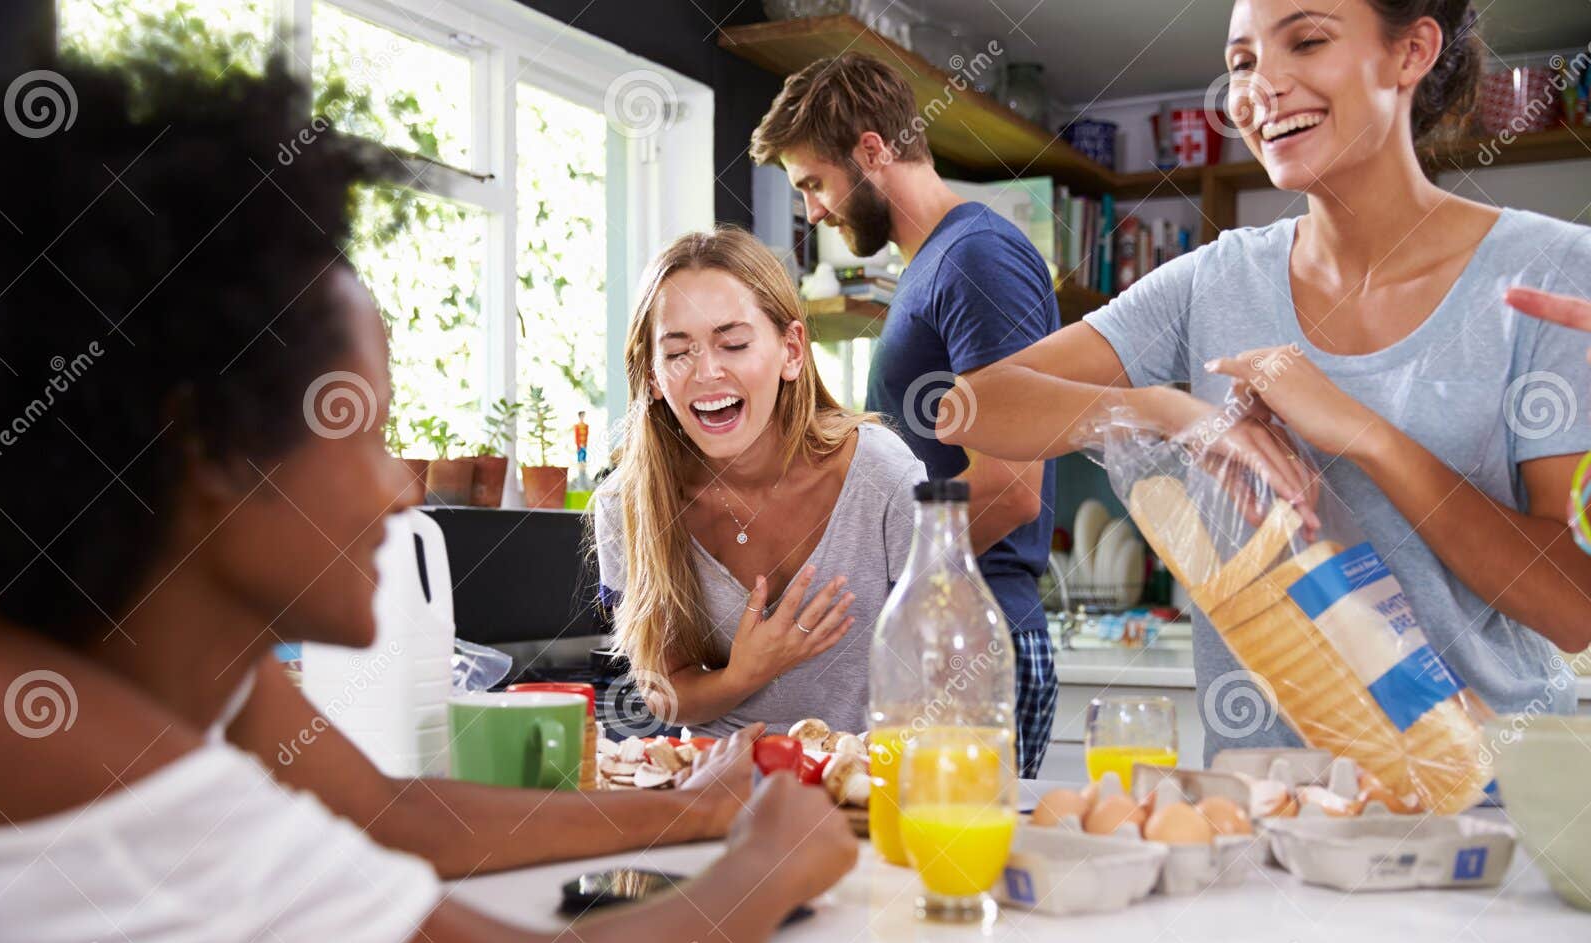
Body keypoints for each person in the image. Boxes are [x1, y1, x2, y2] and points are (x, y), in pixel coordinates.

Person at [0, 55, 856, 943]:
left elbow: (390, 811)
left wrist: (694, 806)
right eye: (364, 433)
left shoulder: (164, 669)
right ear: (216, 446)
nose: (400, 489)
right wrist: (763, 862)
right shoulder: (81, 747)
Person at [931, 0, 1591, 761]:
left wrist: (1363, 433)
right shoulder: (1213, 283)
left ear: (1411, 53)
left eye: (1306, 41)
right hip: (1269, 809)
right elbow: (967, 406)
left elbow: (1571, 608)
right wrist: (1170, 412)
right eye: (1242, 62)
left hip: (1493, 813)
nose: (1260, 87)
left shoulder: (1550, 273)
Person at [750, 54, 1061, 777]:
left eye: (814, 184)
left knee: (953, 879)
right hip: (942, 643)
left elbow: (1013, 486)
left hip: (973, 645)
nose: (813, 212)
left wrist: (867, 576)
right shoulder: (931, 265)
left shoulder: (977, 258)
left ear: (870, 151)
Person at [595, 228, 925, 736]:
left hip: (861, 795)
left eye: (733, 343)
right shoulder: (627, 503)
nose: (706, 372)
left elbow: (946, 668)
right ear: (655, 377)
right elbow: (664, 693)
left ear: (791, 351)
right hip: (713, 793)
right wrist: (748, 672)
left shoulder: (883, 475)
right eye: (678, 352)